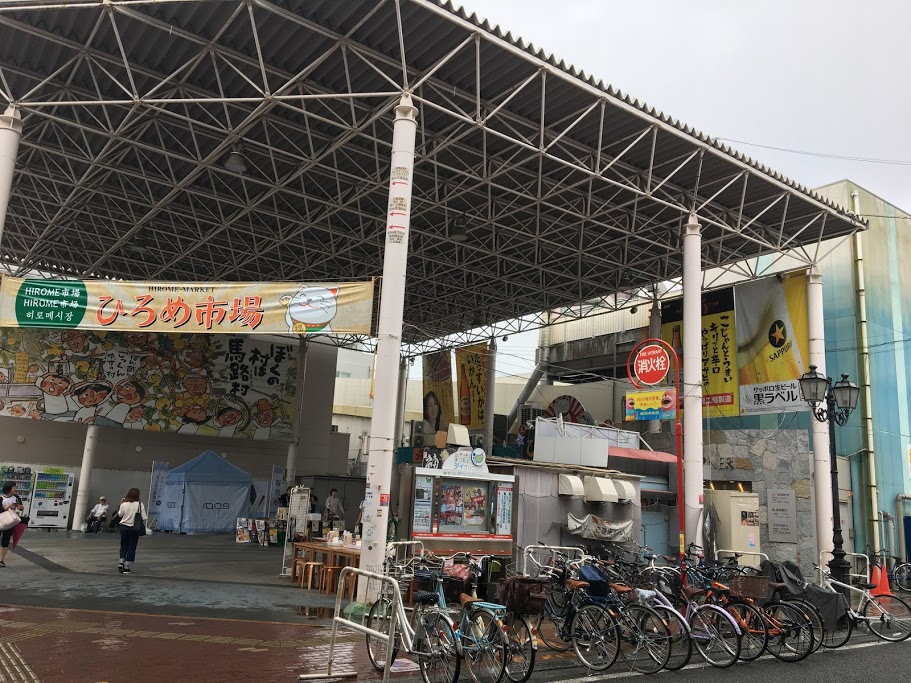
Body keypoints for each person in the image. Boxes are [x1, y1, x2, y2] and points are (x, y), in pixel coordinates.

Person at [116, 488, 148, 574]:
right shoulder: (140, 505)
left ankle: (121, 562)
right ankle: (127, 566)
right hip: (134, 529)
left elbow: (120, 514)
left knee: (123, 545)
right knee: (131, 546)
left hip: (123, 527)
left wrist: (121, 504)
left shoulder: (124, 504)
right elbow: (144, 517)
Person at [0, 482, 27, 567]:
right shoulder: (1, 498)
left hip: (11, 522)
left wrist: (20, 507)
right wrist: (8, 506)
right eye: (14, 487)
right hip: (1, 520)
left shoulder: (16, 497)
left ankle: (1, 560)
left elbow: (22, 507)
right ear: (9, 488)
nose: (15, 489)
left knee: (6, 541)